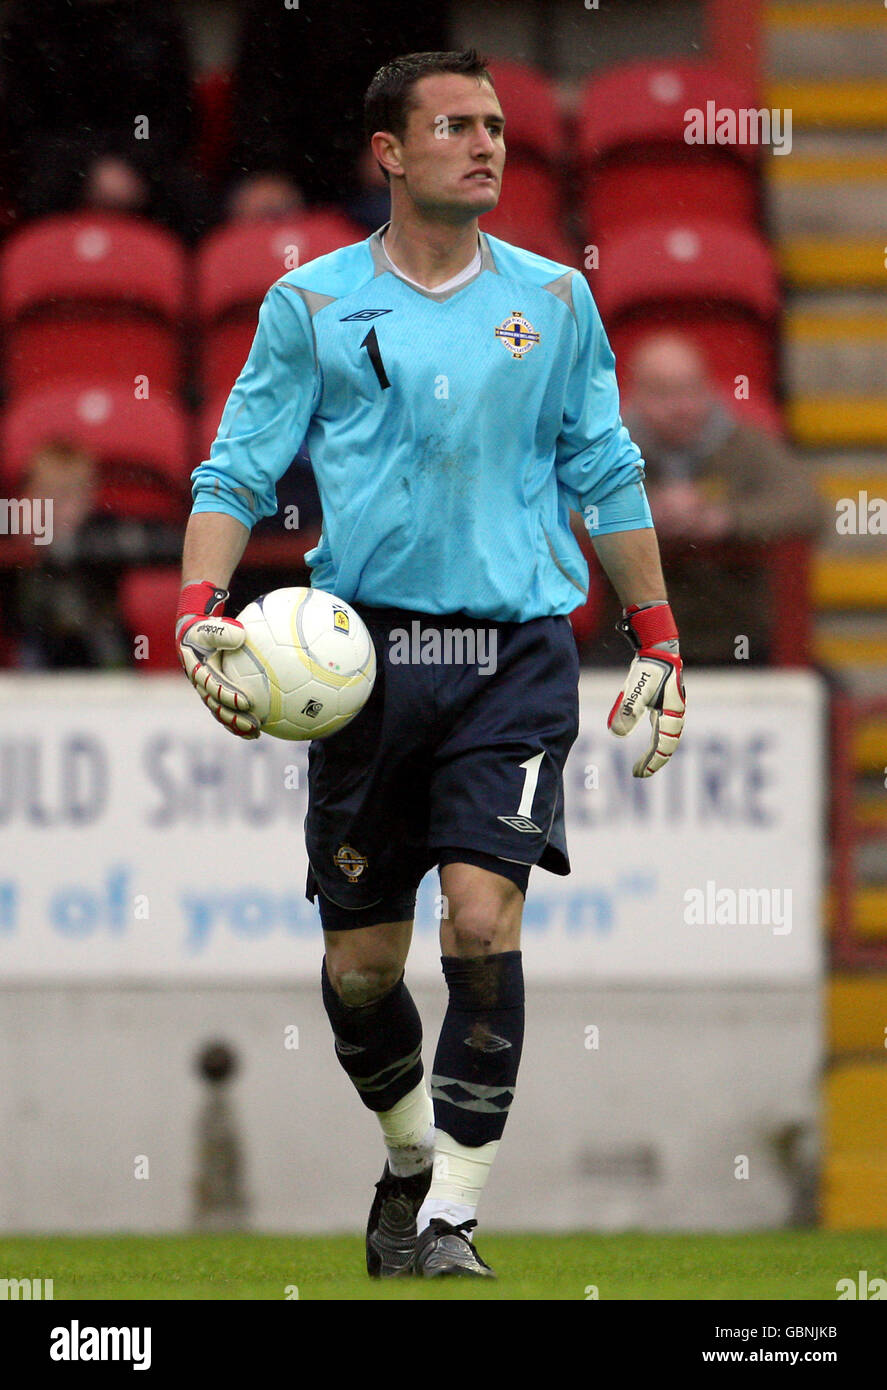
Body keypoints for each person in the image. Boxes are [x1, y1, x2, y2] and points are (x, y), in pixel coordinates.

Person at [175, 50, 685, 1280]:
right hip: (364, 664)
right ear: (388, 154)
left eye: (498, 126)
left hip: (508, 653)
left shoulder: (558, 300)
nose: (487, 143)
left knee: (477, 915)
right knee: (360, 970)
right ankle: (408, 1162)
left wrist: (658, 635)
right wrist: (199, 605)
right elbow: (236, 470)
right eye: (454, 125)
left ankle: (453, 1213)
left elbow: (604, 469)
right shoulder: (310, 306)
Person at [599, 332, 824, 667]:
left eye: (691, 390)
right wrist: (643, 514)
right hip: (630, 643)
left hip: (739, 639)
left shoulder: (746, 444)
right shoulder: (609, 449)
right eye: (664, 393)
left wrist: (725, 520)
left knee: (819, 693)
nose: (681, 407)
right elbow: (564, 509)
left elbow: (807, 507)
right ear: (635, 395)